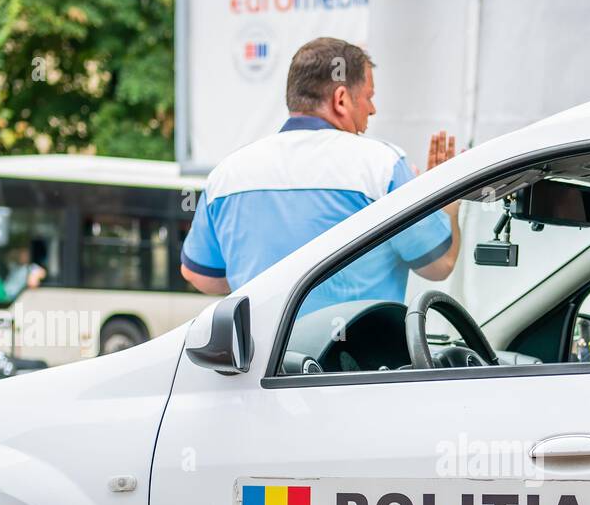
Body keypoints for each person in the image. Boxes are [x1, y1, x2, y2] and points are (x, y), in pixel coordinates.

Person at [180, 37, 460, 309]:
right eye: (368, 97)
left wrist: (263, 280)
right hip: (358, 355)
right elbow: (439, 264)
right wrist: (444, 198)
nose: (372, 110)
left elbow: (200, 275)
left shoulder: (228, 174)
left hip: (262, 356)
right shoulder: (382, 167)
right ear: (341, 99)